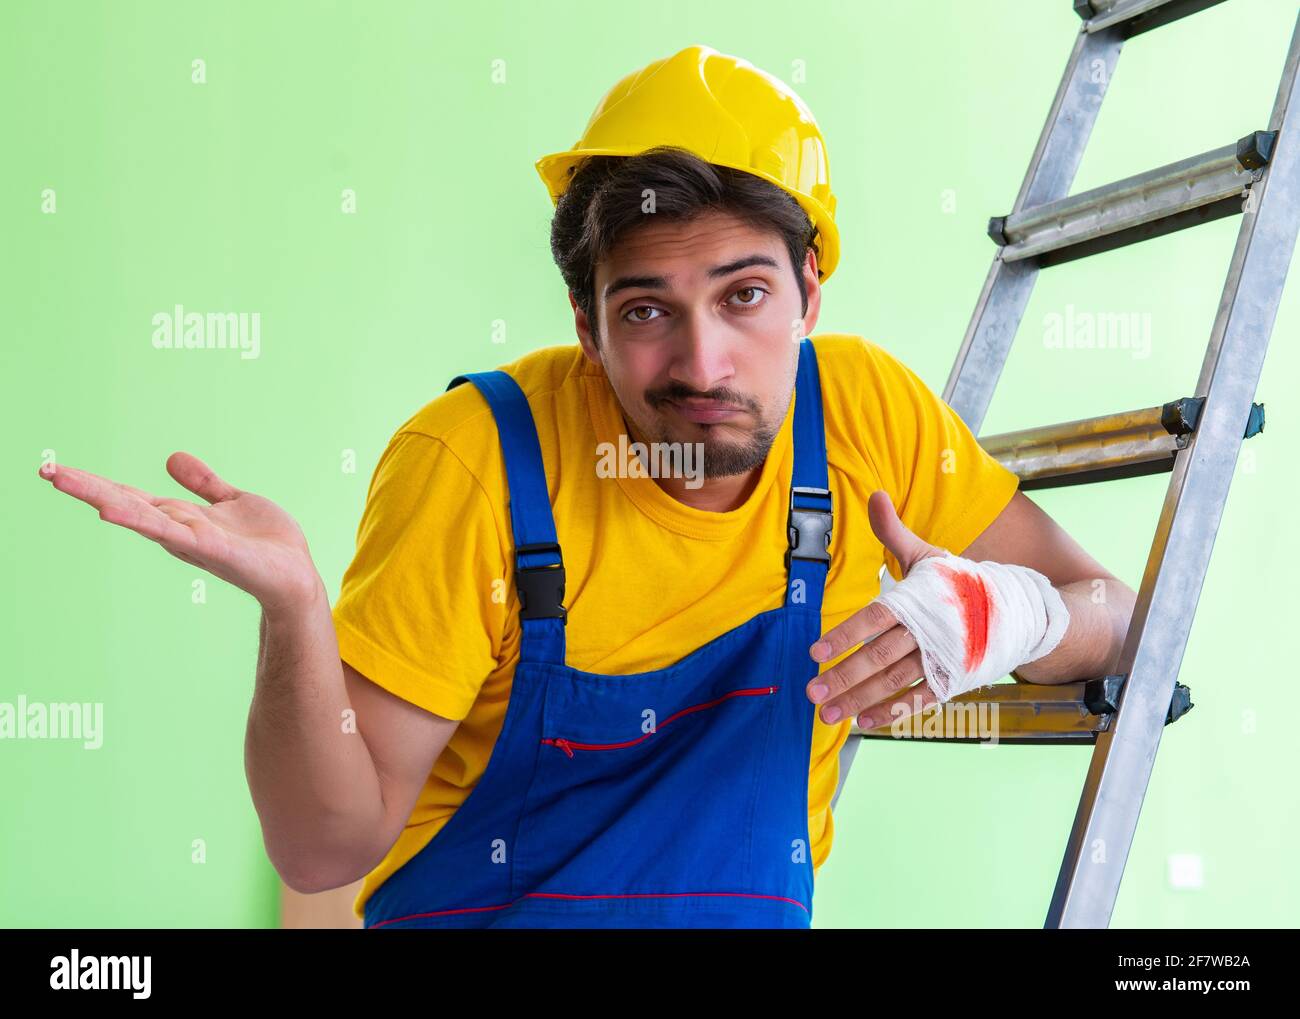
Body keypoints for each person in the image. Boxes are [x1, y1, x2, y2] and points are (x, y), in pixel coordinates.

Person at [38, 44, 1136, 929]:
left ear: (810, 289)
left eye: (744, 294)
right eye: (647, 309)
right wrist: (293, 616)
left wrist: (1001, 611)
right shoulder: (476, 460)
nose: (702, 365)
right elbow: (324, 847)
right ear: (586, 323)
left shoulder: (867, 416)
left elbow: (1122, 619)